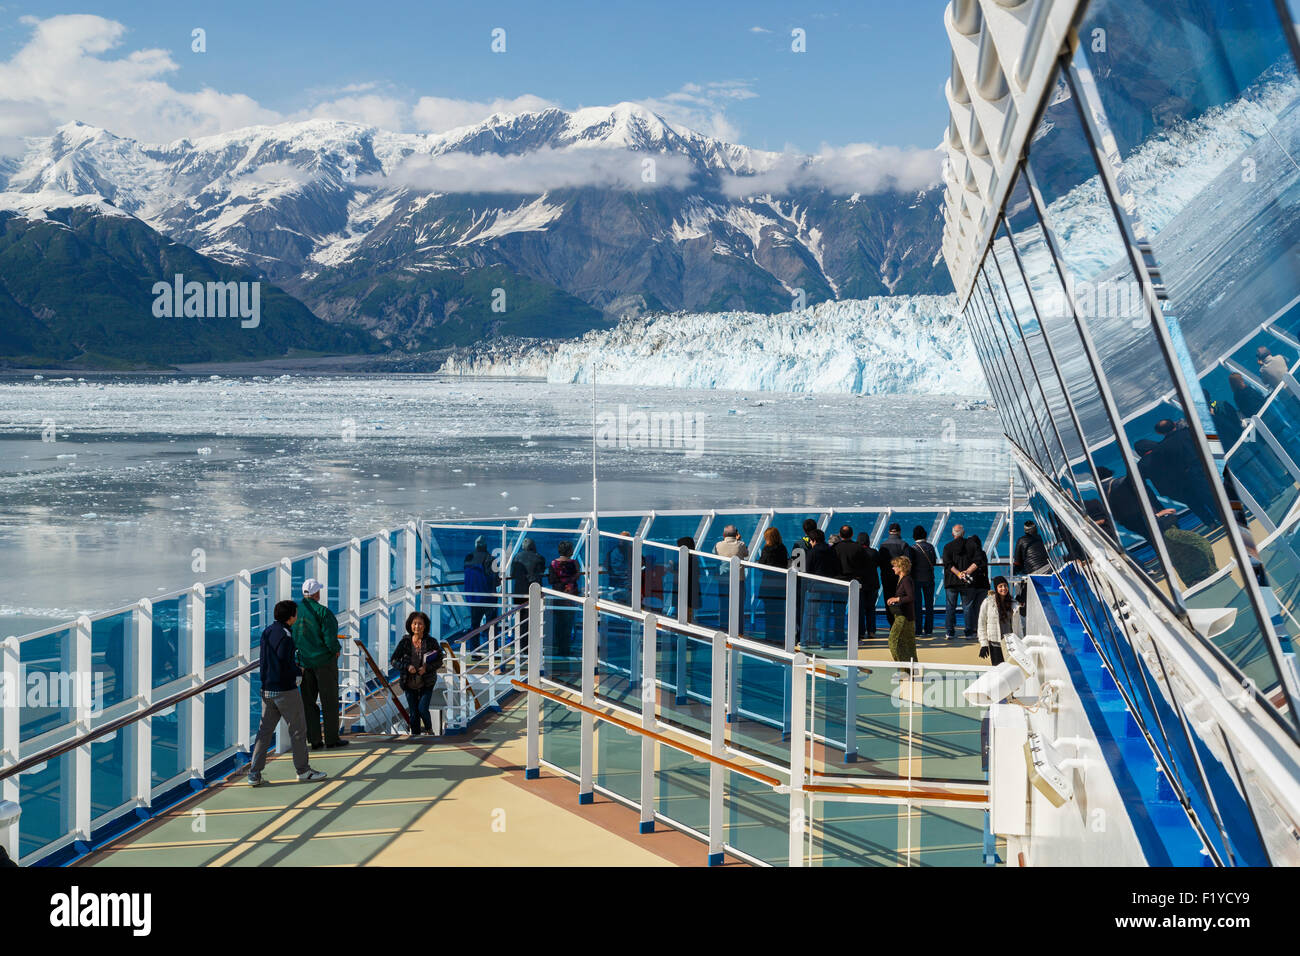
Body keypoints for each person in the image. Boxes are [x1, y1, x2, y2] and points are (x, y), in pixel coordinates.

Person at [248, 600, 327, 786]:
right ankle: (303, 770)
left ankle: (254, 773)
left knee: (264, 732)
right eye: (296, 614)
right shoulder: (286, 636)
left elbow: (268, 660)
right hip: (285, 690)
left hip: (266, 689)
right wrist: (298, 672)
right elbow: (284, 662)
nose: (297, 617)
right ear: (291, 617)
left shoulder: (267, 631)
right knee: (298, 730)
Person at [295, 578, 348, 750]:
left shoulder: (296, 611)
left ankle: (314, 740)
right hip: (324, 663)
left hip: (303, 663)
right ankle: (332, 739)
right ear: (316, 593)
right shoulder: (323, 612)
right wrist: (336, 649)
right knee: (329, 701)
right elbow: (329, 638)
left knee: (308, 703)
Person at [389, 611, 444, 738]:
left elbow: (439, 660)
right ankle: (415, 738)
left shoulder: (431, 642)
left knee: (422, 709)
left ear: (425, 626)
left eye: (420, 624)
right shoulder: (405, 642)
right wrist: (407, 667)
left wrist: (427, 668)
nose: (417, 626)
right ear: (410, 625)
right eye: (414, 623)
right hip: (408, 683)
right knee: (413, 713)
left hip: (426, 682)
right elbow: (393, 660)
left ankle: (429, 731)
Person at [941, 524, 986, 641]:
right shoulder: (972, 545)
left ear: (952, 534)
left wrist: (958, 573)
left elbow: (948, 564)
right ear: (963, 533)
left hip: (951, 582)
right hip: (968, 582)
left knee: (950, 607)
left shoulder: (947, 547)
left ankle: (950, 632)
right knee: (968, 607)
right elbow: (978, 560)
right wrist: (967, 572)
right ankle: (969, 632)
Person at [832, 525, 877, 641]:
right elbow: (865, 566)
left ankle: (839, 635)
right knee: (857, 610)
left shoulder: (835, 548)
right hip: (855, 582)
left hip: (839, 582)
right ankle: (857, 635)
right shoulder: (858, 548)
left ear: (840, 535)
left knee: (839, 610)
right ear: (852, 535)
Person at [802, 527, 838, 648]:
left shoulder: (811, 552)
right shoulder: (831, 551)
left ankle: (805, 641)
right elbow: (834, 568)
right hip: (828, 585)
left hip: (814, 586)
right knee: (825, 615)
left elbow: (807, 570)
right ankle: (824, 642)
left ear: (813, 540)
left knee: (809, 615)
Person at [549, 540, 582, 663]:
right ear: (569, 550)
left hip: (557, 596)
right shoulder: (574, 563)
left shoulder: (553, 564)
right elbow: (577, 575)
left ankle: (558, 647)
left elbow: (552, 580)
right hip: (570, 596)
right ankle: (565, 648)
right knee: (568, 623)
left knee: (558, 623)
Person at [510, 537, 547, 643]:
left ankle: (521, 643)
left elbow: (513, 574)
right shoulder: (539, 558)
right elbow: (541, 571)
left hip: (518, 593)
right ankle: (531, 643)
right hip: (533, 593)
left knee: (520, 618)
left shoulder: (517, 557)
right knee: (533, 618)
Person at [977, 576, 1019, 666]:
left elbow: (1018, 623)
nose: (1003, 588)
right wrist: (984, 644)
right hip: (995, 643)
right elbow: (981, 624)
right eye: (1000, 586)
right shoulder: (988, 602)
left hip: (1010, 643)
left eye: (1005, 586)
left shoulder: (1013, 603)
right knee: (998, 669)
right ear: (996, 588)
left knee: (1010, 669)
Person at [714, 525, 749, 632]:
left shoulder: (718, 545)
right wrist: (740, 539)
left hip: (723, 579)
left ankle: (724, 628)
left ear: (724, 535)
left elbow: (714, 554)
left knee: (724, 605)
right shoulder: (741, 544)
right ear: (736, 534)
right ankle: (739, 630)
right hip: (738, 580)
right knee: (739, 606)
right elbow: (746, 554)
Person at [463, 536, 499, 638]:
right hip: (488, 598)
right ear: (486, 545)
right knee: (492, 626)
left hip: (473, 598)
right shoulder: (491, 559)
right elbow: (495, 580)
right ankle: (494, 651)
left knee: (474, 627)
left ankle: (474, 652)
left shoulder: (468, 558)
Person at [757, 527, 789, 645]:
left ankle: (770, 637)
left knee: (769, 614)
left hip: (768, 586)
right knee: (780, 613)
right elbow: (785, 564)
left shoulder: (767, 549)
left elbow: (761, 566)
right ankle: (780, 637)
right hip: (780, 586)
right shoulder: (783, 548)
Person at [877, 523, 914, 622]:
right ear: (899, 532)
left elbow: (880, 562)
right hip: (900, 579)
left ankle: (891, 623)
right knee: (900, 600)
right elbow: (908, 561)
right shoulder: (903, 544)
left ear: (889, 532)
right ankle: (900, 621)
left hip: (886, 577)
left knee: (888, 600)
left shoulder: (883, 545)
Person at [884, 555, 917, 663]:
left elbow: (911, 597)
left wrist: (897, 599)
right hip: (906, 616)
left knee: (893, 641)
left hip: (903, 617)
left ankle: (904, 666)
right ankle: (912, 669)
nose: (893, 568)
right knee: (908, 644)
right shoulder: (902, 579)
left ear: (900, 567)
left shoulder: (906, 580)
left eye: (894, 566)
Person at [911, 525, 938, 638]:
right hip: (929, 578)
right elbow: (934, 562)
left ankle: (918, 629)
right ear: (925, 535)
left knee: (917, 605)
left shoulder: (913, 548)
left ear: (914, 536)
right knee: (929, 605)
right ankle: (928, 629)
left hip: (916, 579)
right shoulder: (930, 547)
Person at [854, 532, 882, 640]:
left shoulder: (856, 552)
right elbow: (879, 563)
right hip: (873, 584)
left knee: (860, 609)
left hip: (860, 584)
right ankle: (871, 631)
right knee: (871, 608)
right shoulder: (874, 552)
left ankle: (861, 632)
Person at [675, 536, 702, 623]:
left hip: (686, 591)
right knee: (689, 612)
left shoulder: (687, 559)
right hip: (690, 591)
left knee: (686, 612)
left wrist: (673, 568)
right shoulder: (694, 559)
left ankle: (685, 629)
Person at [607, 530, 633, 603]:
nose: (622, 541)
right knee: (621, 602)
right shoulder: (615, 551)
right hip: (621, 581)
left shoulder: (614, 551)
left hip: (623, 581)